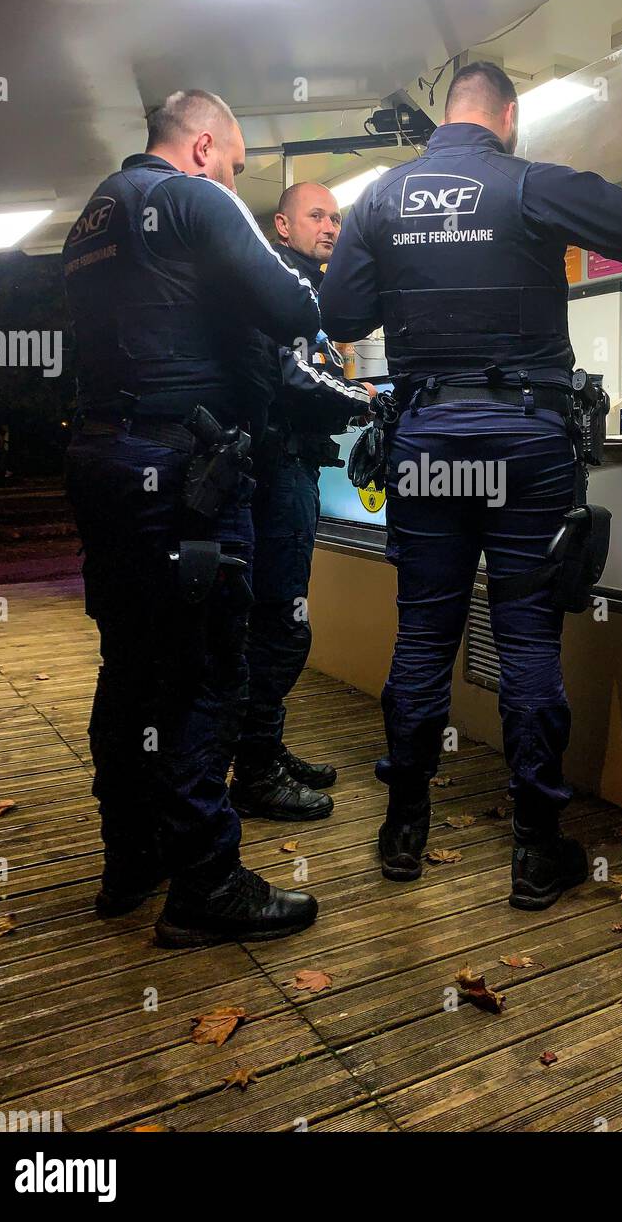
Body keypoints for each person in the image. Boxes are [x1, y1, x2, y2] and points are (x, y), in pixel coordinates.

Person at [319, 61, 622, 909]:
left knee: (421, 640)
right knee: (525, 643)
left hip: (428, 440)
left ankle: (403, 831)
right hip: (524, 439)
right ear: (508, 117)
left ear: (446, 116)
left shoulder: (378, 200)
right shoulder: (528, 184)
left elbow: (341, 317)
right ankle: (534, 849)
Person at [63, 89, 323, 947]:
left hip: (104, 462)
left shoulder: (89, 224)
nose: (236, 181)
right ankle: (205, 882)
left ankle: (131, 859)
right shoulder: (191, 197)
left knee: (132, 669)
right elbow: (295, 307)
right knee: (208, 673)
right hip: (184, 477)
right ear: (204, 145)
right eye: (239, 166)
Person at [230, 183, 373, 820]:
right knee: (282, 625)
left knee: (277, 621)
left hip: (294, 470)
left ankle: (264, 747)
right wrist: (363, 398)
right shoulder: (282, 286)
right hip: (279, 472)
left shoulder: (304, 289)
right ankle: (256, 769)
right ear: (282, 226)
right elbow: (294, 377)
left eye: (337, 218)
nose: (331, 228)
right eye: (317, 216)